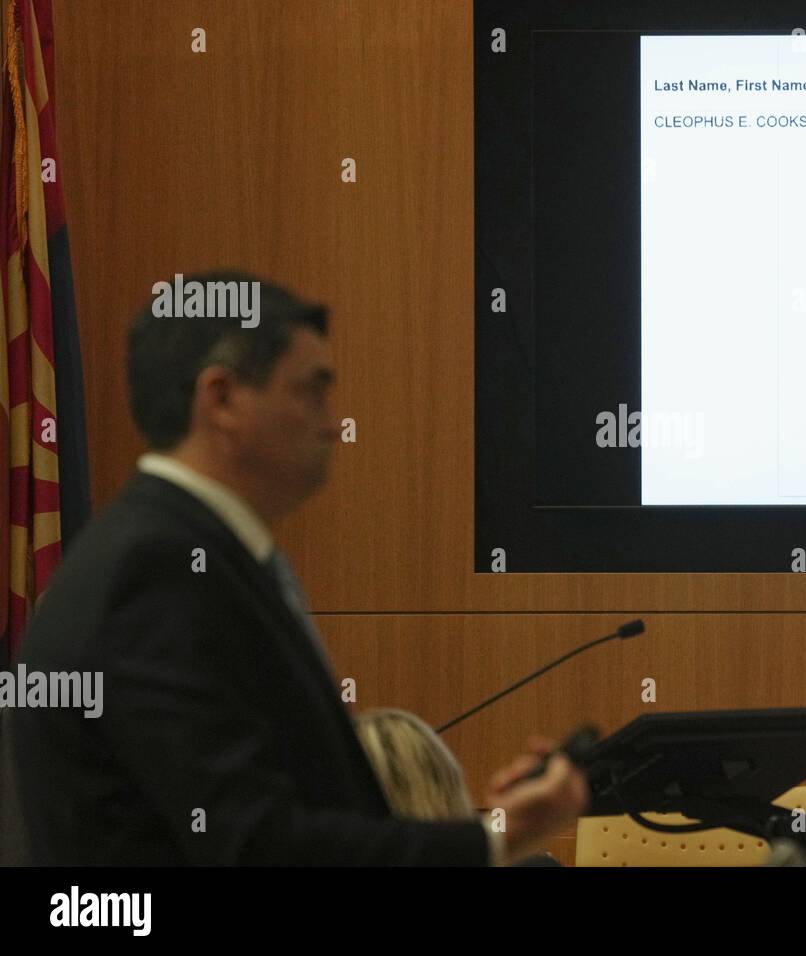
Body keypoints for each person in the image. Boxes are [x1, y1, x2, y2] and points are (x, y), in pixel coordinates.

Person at [10, 270, 587, 865]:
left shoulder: (186, 556)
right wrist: (495, 841)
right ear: (223, 399)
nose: (334, 422)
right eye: (312, 391)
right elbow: (258, 847)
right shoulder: (156, 574)